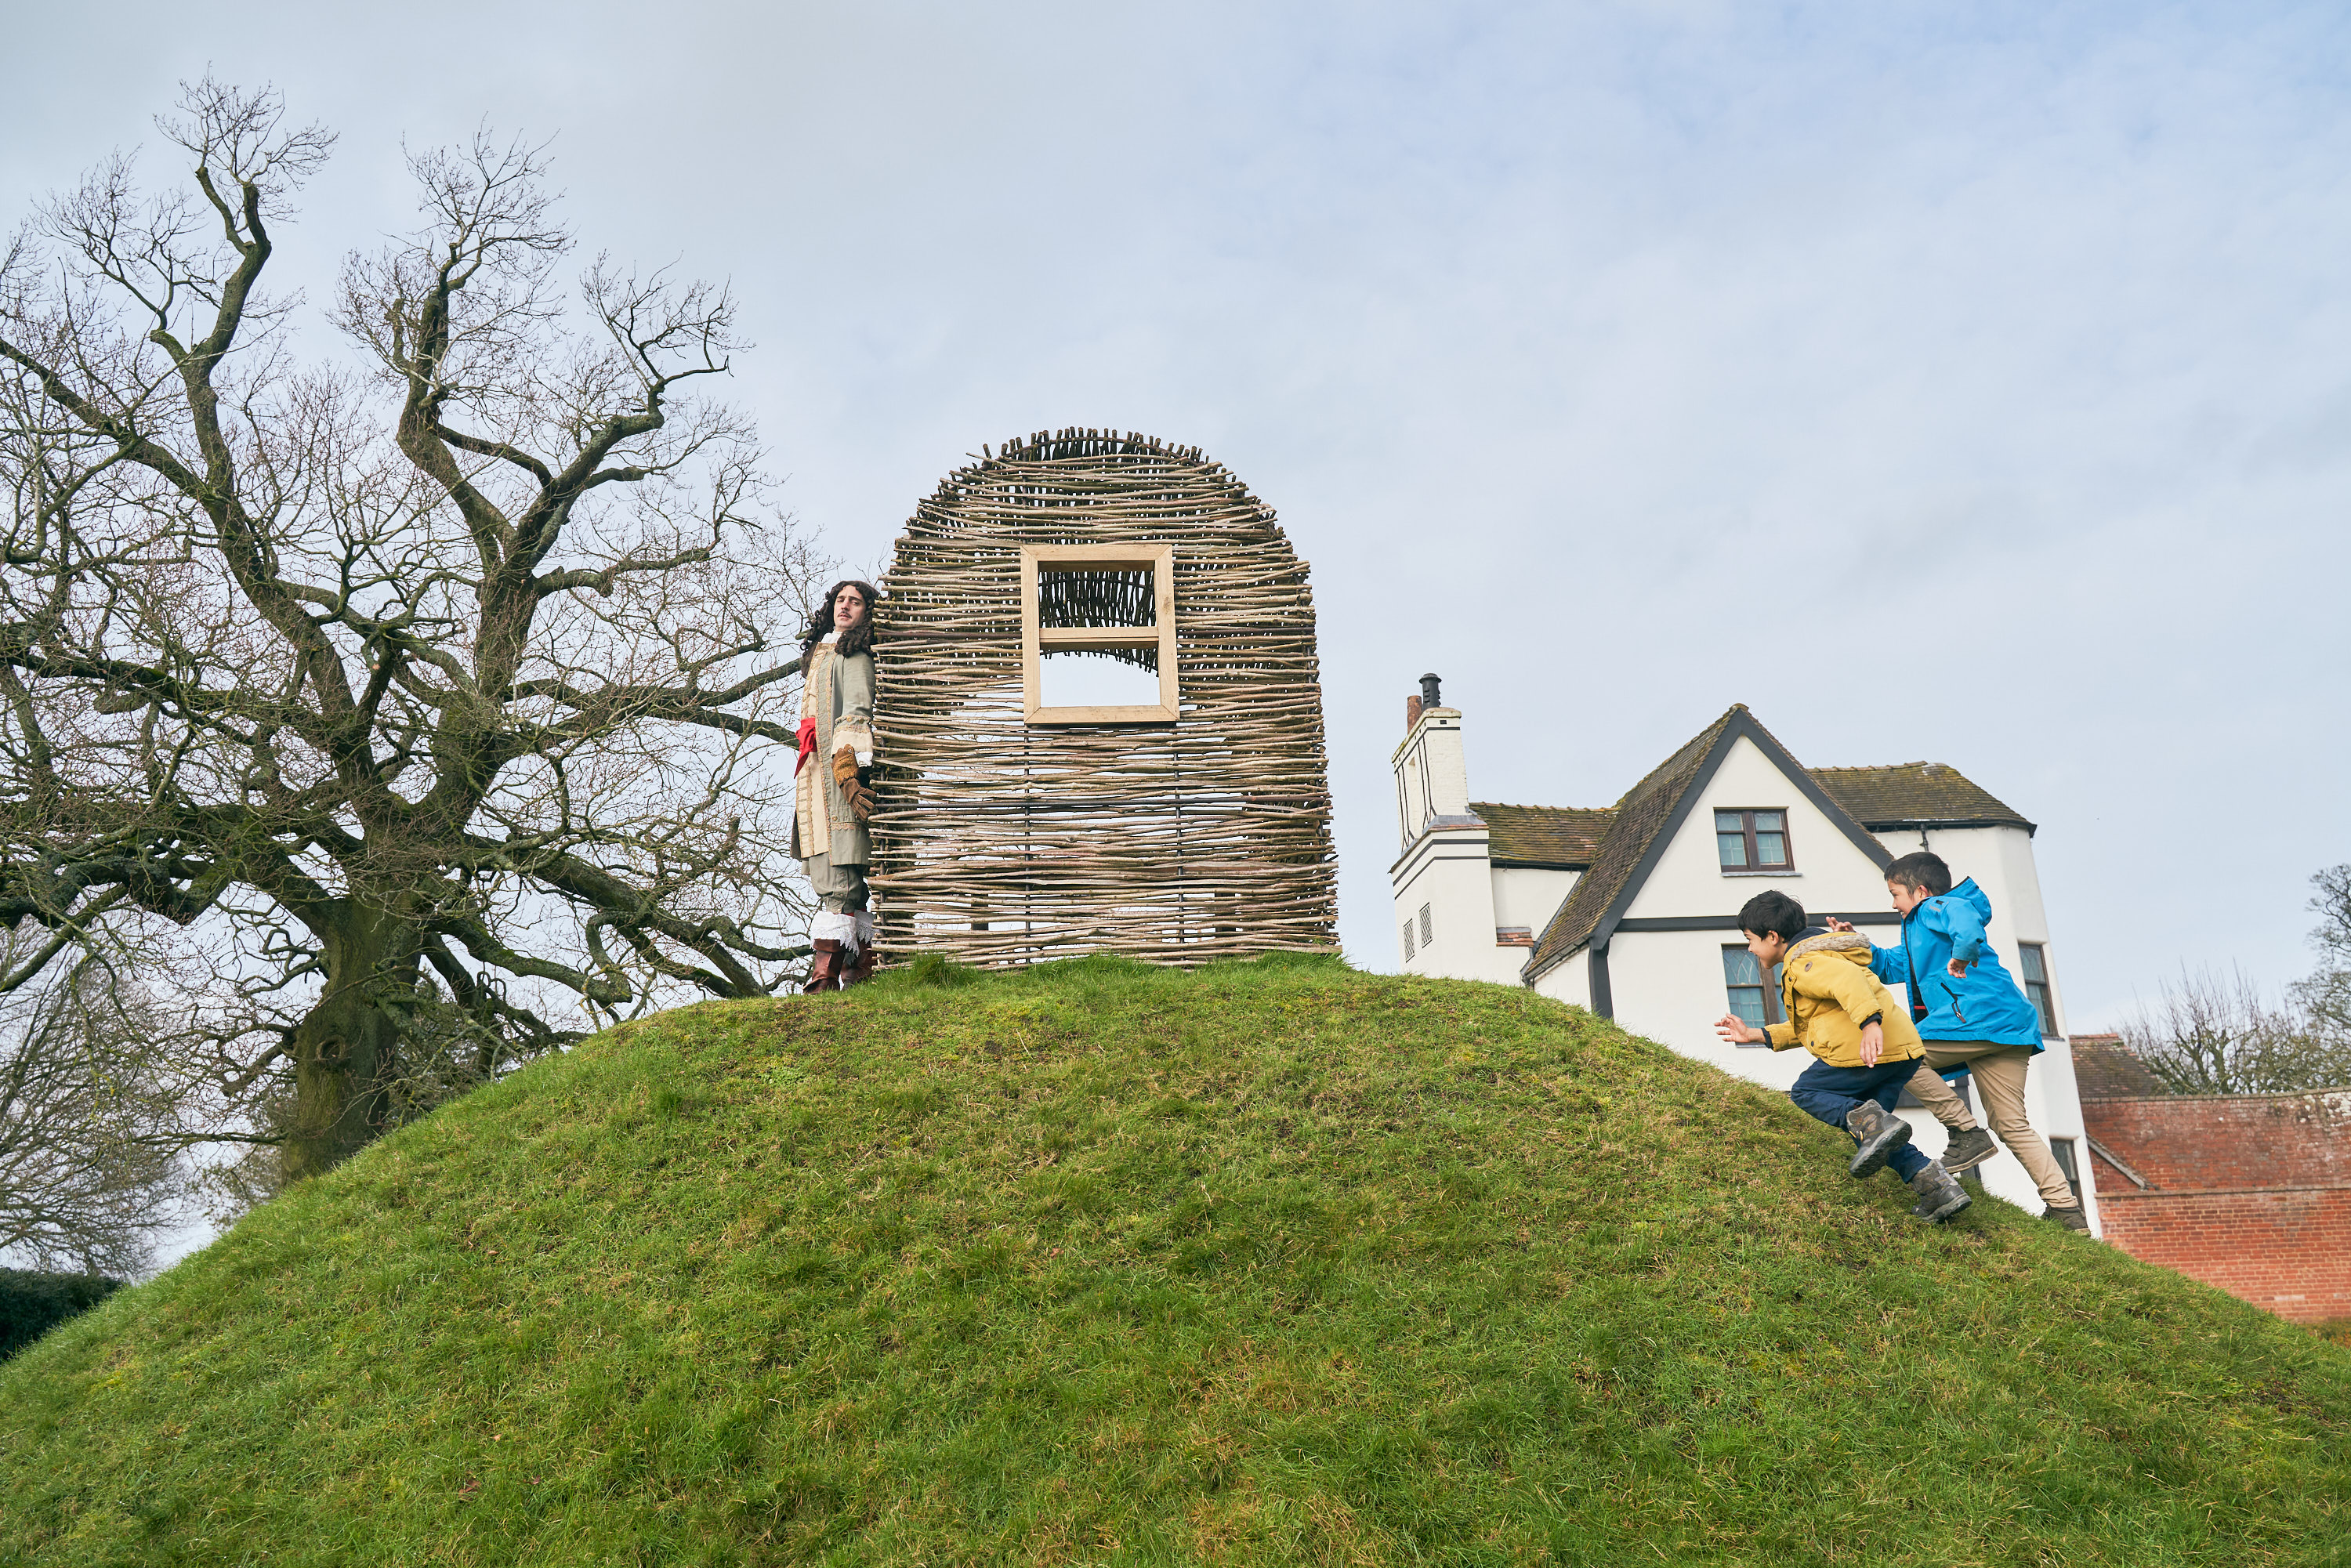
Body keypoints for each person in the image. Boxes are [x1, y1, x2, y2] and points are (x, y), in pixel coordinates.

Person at [1828, 851, 2088, 1231]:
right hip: (2007, 1028)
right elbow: (1889, 966)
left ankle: (1965, 1131)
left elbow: (1964, 921)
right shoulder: (1920, 933)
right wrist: (1853, 944)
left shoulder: (1938, 907)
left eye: (1896, 894)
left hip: (1977, 1018)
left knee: (1898, 1053)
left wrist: (1963, 956)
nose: (1894, 904)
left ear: (1919, 891)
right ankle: (2066, 1210)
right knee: (2011, 1124)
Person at [1714, 889, 1972, 1224]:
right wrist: (1756, 1035)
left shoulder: (1803, 963)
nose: (1749, 948)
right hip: (1901, 1052)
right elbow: (1816, 1023)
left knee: (1808, 1093)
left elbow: (1847, 982)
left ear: (1773, 937)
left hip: (1871, 1049)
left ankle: (1888, 1141)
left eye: (1750, 940)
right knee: (1874, 1134)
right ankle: (1938, 1188)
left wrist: (1869, 1024)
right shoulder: (1827, 955)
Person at [793, 580, 881, 992]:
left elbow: (857, 712)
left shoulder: (854, 653)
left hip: (839, 775)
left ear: (866, 612)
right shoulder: (822, 650)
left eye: (856, 601)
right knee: (827, 869)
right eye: (840, 600)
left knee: (842, 872)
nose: (846, 606)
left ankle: (827, 975)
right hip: (813, 771)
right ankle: (854, 970)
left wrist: (848, 771)